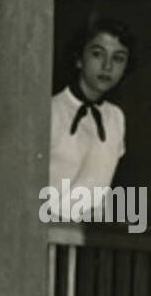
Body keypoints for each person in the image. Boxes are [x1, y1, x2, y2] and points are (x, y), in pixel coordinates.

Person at [48, 17, 135, 209]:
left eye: (118, 58)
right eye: (97, 54)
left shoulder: (116, 118)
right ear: (79, 59)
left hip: (89, 234)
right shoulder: (50, 110)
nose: (107, 66)